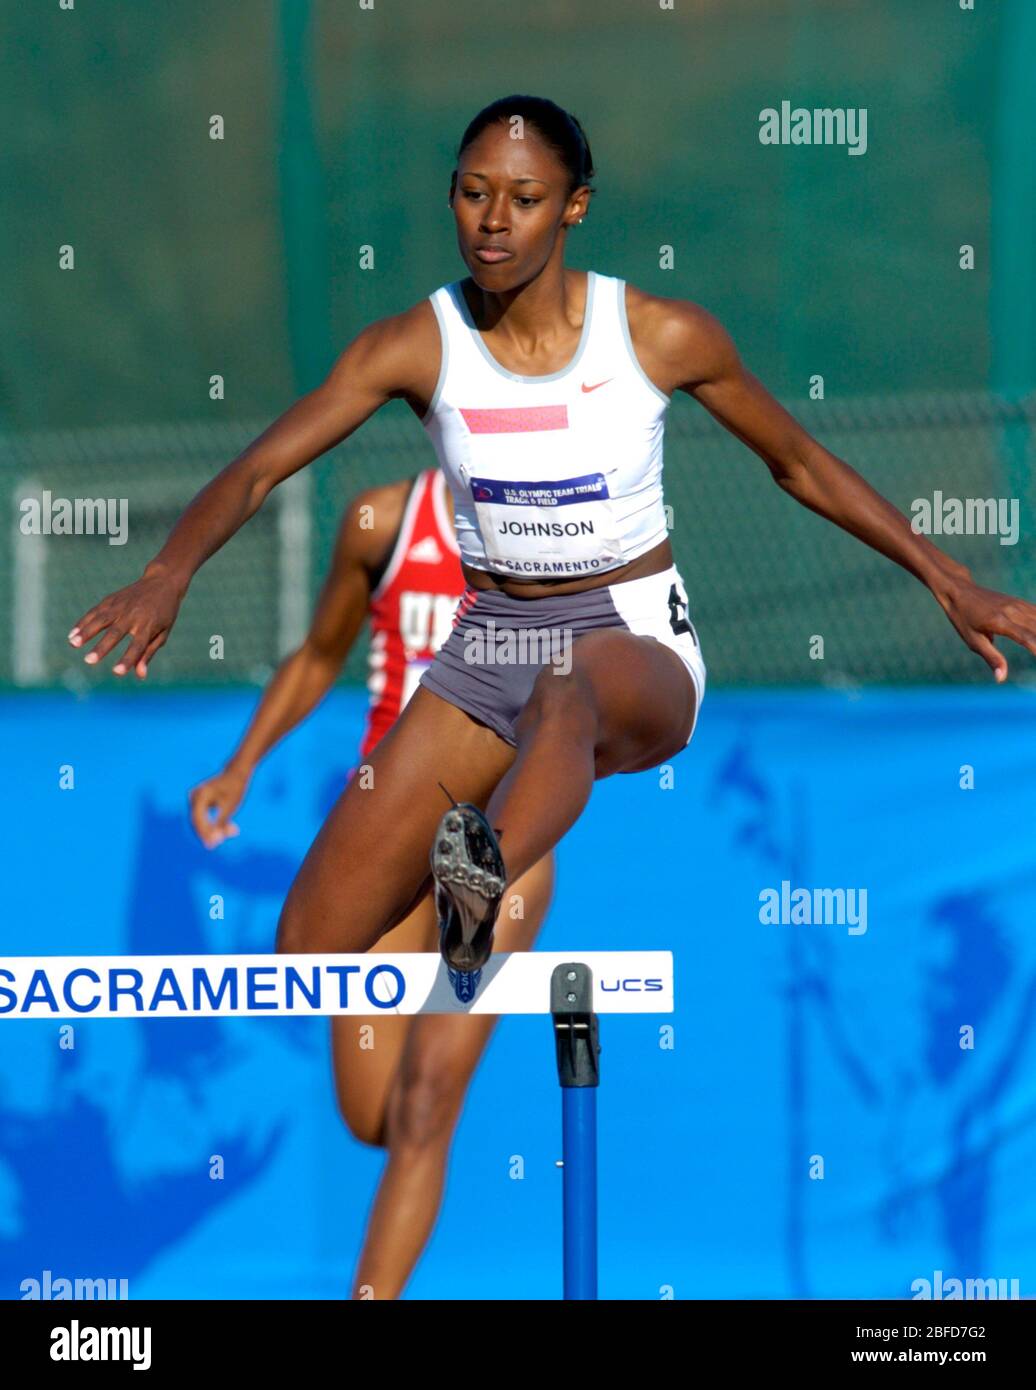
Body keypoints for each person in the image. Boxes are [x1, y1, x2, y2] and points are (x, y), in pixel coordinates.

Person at [70, 93, 1036, 1290]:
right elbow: (265, 460)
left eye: (523, 199)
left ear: (572, 208)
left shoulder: (661, 336)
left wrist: (952, 581)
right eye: (474, 193)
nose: (492, 220)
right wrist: (169, 569)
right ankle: (456, 890)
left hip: (628, 638)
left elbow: (798, 463)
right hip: (488, 643)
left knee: (571, 685)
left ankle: (478, 875)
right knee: (308, 944)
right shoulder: (414, 345)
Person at [186, 466, 554, 1298]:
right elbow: (321, 655)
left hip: (508, 831)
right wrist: (240, 767)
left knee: (427, 1105)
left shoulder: (560, 529)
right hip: (390, 825)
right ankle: (448, 956)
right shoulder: (381, 524)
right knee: (374, 1117)